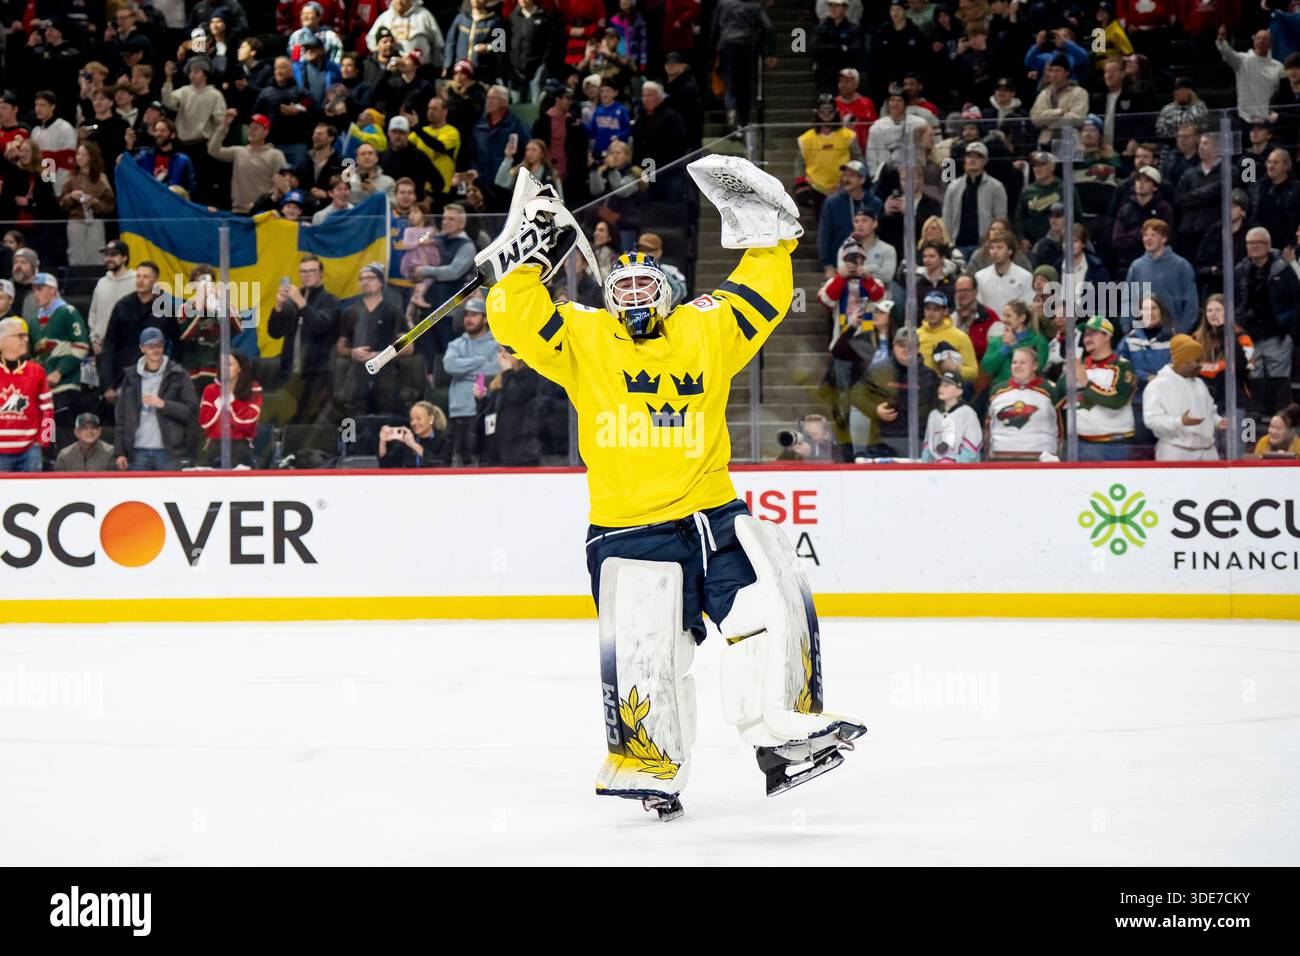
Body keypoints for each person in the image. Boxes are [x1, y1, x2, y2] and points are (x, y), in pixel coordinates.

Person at [486, 156, 861, 816]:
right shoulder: (586, 337)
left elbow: (763, 295)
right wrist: (523, 261)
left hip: (712, 515)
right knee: (649, 656)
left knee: (767, 612)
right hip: (629, 531)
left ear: (671, 290)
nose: (631, 296)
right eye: (621, 287)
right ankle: (652, 765)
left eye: (645, 285)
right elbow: (516, 321)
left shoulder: (702, 328)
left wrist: (765, 233)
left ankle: (782, 736)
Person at [267, 255, 341, 424]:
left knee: (312, 425)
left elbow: (320, 326)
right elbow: (275, 332)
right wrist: (278, 307)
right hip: (290, 373)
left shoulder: (331, 301)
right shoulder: (291, 300)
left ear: (321, 274)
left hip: (317, 374)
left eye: (312, 271)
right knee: (287, 421)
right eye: (303, 271)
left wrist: (300, 302)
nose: (306, 275)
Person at [113, 327, 199, 471]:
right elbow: (121, 417)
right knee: (137, 494)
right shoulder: (131, 377)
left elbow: (191, 412)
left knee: (170, 494)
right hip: (137, 452)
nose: (156, 349)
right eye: (151, 346)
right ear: (142, 348)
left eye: (159, 345)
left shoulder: (179, 375)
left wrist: (163, 404)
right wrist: (120, 452)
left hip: (169, 453)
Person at [1234, 225, 1299, 416]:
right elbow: (1235, 300)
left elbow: (1296, 298)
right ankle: (1253, 431)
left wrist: (1289, 327)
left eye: (1258, 242)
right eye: (1250, 243)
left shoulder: (1283, 269)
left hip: (1277, 334)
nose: (1254, 246)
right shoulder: (1240, 270)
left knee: (1278, 381)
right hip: (1249, 335)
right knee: (1252, 381)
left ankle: (1281, 426)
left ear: (1268, 244)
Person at [1055, 315, 1138, 460]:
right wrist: (1066, 378)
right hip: (1080, 444)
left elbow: (1117, 400)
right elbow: (1058, 398)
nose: (1087, 338)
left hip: (1116, 444)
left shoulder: (1122, 366)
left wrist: (1086, 383)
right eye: (1086, 334)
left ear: (1107, 336)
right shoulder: (1079, 365)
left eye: (1093, 333)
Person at [29, 273, 90, 450]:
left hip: (65, 386)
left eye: (40, 289)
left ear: (53, 290)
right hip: (43, 390)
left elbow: (81, 346)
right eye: (33, 290)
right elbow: (35, 356)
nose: (35, 294)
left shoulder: (67, 312)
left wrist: (59, 372)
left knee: (64, 433)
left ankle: (67, 472)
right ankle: (49, 467)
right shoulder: (34, 321)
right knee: (47, 434)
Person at [1142, 334, 1225, 461]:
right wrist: (1179, 421)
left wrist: (1219, 421)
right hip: (1176, 452)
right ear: (1182, 361)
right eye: (1196, 361)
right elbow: (1151, 420)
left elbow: (1210, 412)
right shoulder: (1157, 385)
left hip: (1208, 451)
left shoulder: (1199, 384)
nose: (1200, 365)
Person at [343, 263, 408, 419]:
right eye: (361, 278)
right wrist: (352, 352)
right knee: (351, 426)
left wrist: (380, 356)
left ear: (380, 282)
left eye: (370, 278)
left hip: (386, 378)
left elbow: (408, 347)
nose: (365, 281)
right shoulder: (350, 312)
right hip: (357, 378)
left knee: (386, 423)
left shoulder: (393, 311)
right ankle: (350, 443)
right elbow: (340, 347)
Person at [442, 295, 499, 466]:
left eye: (474, 315)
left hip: (483, 410)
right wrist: (480, 361)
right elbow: (450, 366)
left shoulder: (496, 343)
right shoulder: (456, 344)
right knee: (456, 463)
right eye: (466, 315)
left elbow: (494, 370)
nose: (468, 319)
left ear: (485, 318)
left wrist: (463, 370)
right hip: (458, 412)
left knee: (481, 462)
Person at [1124, 219, 1198, 333]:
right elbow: (1127, 300)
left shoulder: (1182, 266)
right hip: (1142, 334)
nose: (1148, 239)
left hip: (1172, 333)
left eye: (1153, 235)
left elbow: (1191, 303)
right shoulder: (1136, 266)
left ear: (1164, 238)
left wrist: (1181, 331)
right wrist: (1127, 328)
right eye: (1145, 235)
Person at [207, 111, 287, 215]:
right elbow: (212, 150)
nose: (251, 131)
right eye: (250, 127)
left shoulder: (275, 155)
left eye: (256, 128)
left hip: (263, 212)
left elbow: (280, 186)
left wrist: (260, 204)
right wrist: (224, 125)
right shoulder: (238, 151)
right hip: (238, 211)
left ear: (266, 132)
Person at [987, 347, 1060, 459]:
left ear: (1035, 366)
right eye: (1014, 362)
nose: (1017, 366)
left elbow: (1061, 426)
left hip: (1041, 458)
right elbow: (988, 425)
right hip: (1001, 457)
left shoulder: (1050, 389)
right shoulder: (998, 390)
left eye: (1023, 362)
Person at [0, 317, 51, 472]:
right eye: (20, 335)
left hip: (30, 451)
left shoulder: (37, 371)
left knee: (32, 496)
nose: (26, 339)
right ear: (2, 340)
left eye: (26, 335)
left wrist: (46, 442)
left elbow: (48, 410)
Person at [197, 350, 263, 468]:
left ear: (240, 368)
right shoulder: (210, 389)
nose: (224, 368)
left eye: (229, 364)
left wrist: (231, 400)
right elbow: (204, 423)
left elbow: (249, 421)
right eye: (222, 364)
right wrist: (219, 403)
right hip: (214, 448)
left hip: (241, 447)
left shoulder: (253, 389)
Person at [59, 143, 115, 267]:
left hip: (94, 221)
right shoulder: (71, 177)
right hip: (75, 221)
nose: (80, 157)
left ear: (92, 157)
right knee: (76, 255)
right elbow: (62, 203)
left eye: (84, 154)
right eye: (78, 154)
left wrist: (94, 202)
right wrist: (71, 197)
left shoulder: (101, 178)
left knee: (96, 254)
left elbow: (109, 204)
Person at [980, 300, 1049, 392]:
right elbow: (987, 368)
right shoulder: (996, 342)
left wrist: (1013, 345)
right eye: (1003, 316)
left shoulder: (1038, 341)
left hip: (1030, 392)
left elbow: (1037, 369)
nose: (1004, 320)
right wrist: (1005, 348)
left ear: (1022, 318)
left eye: (1008, 316)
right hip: (1001, 392)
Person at [86, 240, 136, 360]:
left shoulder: (136, 281)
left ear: (125, 257)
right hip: (103, 349)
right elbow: (93, 313)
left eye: (113, 255)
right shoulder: (102, 283)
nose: (109, 258)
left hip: (129, 349)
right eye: (106, 255)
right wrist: (94, 339)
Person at [917, 291, 977, 382]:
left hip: (947, 388)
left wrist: (955, 368)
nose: (931, 313)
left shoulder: (960, 337)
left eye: (936, 309)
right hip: (920, 387)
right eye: (928, 309)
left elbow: (973, 372)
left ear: (945, 311)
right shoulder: (916, 335)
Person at [922, 371, 981, 462]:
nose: (941, 388)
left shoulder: (968, 413)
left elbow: (972, 449)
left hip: (960, 472)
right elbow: (928, 448)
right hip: (935, 471)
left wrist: (953, 464)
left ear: (959, 391)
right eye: (941, 385)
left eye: (947, 385)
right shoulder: (934, 414)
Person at [974, 230, 1033, 316]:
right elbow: (979, 307)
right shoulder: (980, 277)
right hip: (989, 326)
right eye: (992, 247)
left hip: (1016, 326)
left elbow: (1027, 307)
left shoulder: (1025, 277)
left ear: (1010, 251)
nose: (994, 251)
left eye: (999, 247)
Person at [379, 400, 451, 467]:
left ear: (431, 419)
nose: (413, 423)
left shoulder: (444, 440)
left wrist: (414, 445)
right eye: (412, 419)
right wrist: (382, 443)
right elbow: (386, 467)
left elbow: (442, 465)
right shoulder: (407, 441)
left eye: (418, 418)